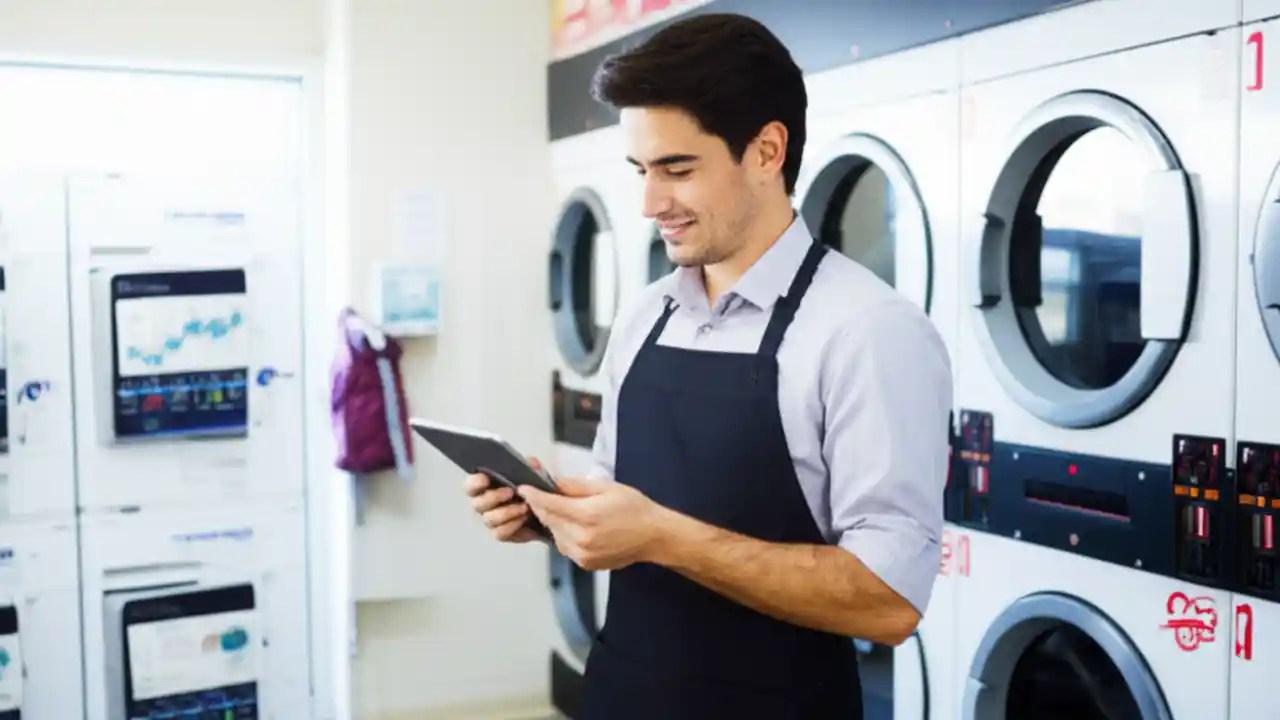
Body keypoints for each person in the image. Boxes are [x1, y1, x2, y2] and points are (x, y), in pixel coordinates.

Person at [464, 12, 953, 719]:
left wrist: (663, 535)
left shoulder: (870, 332)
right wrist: (553, 513)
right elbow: (622, 493)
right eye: (640, 171)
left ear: (765, 151)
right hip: (622, 694)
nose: (649, 203)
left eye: (677, 169)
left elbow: (889, 602)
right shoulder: (645, 316)